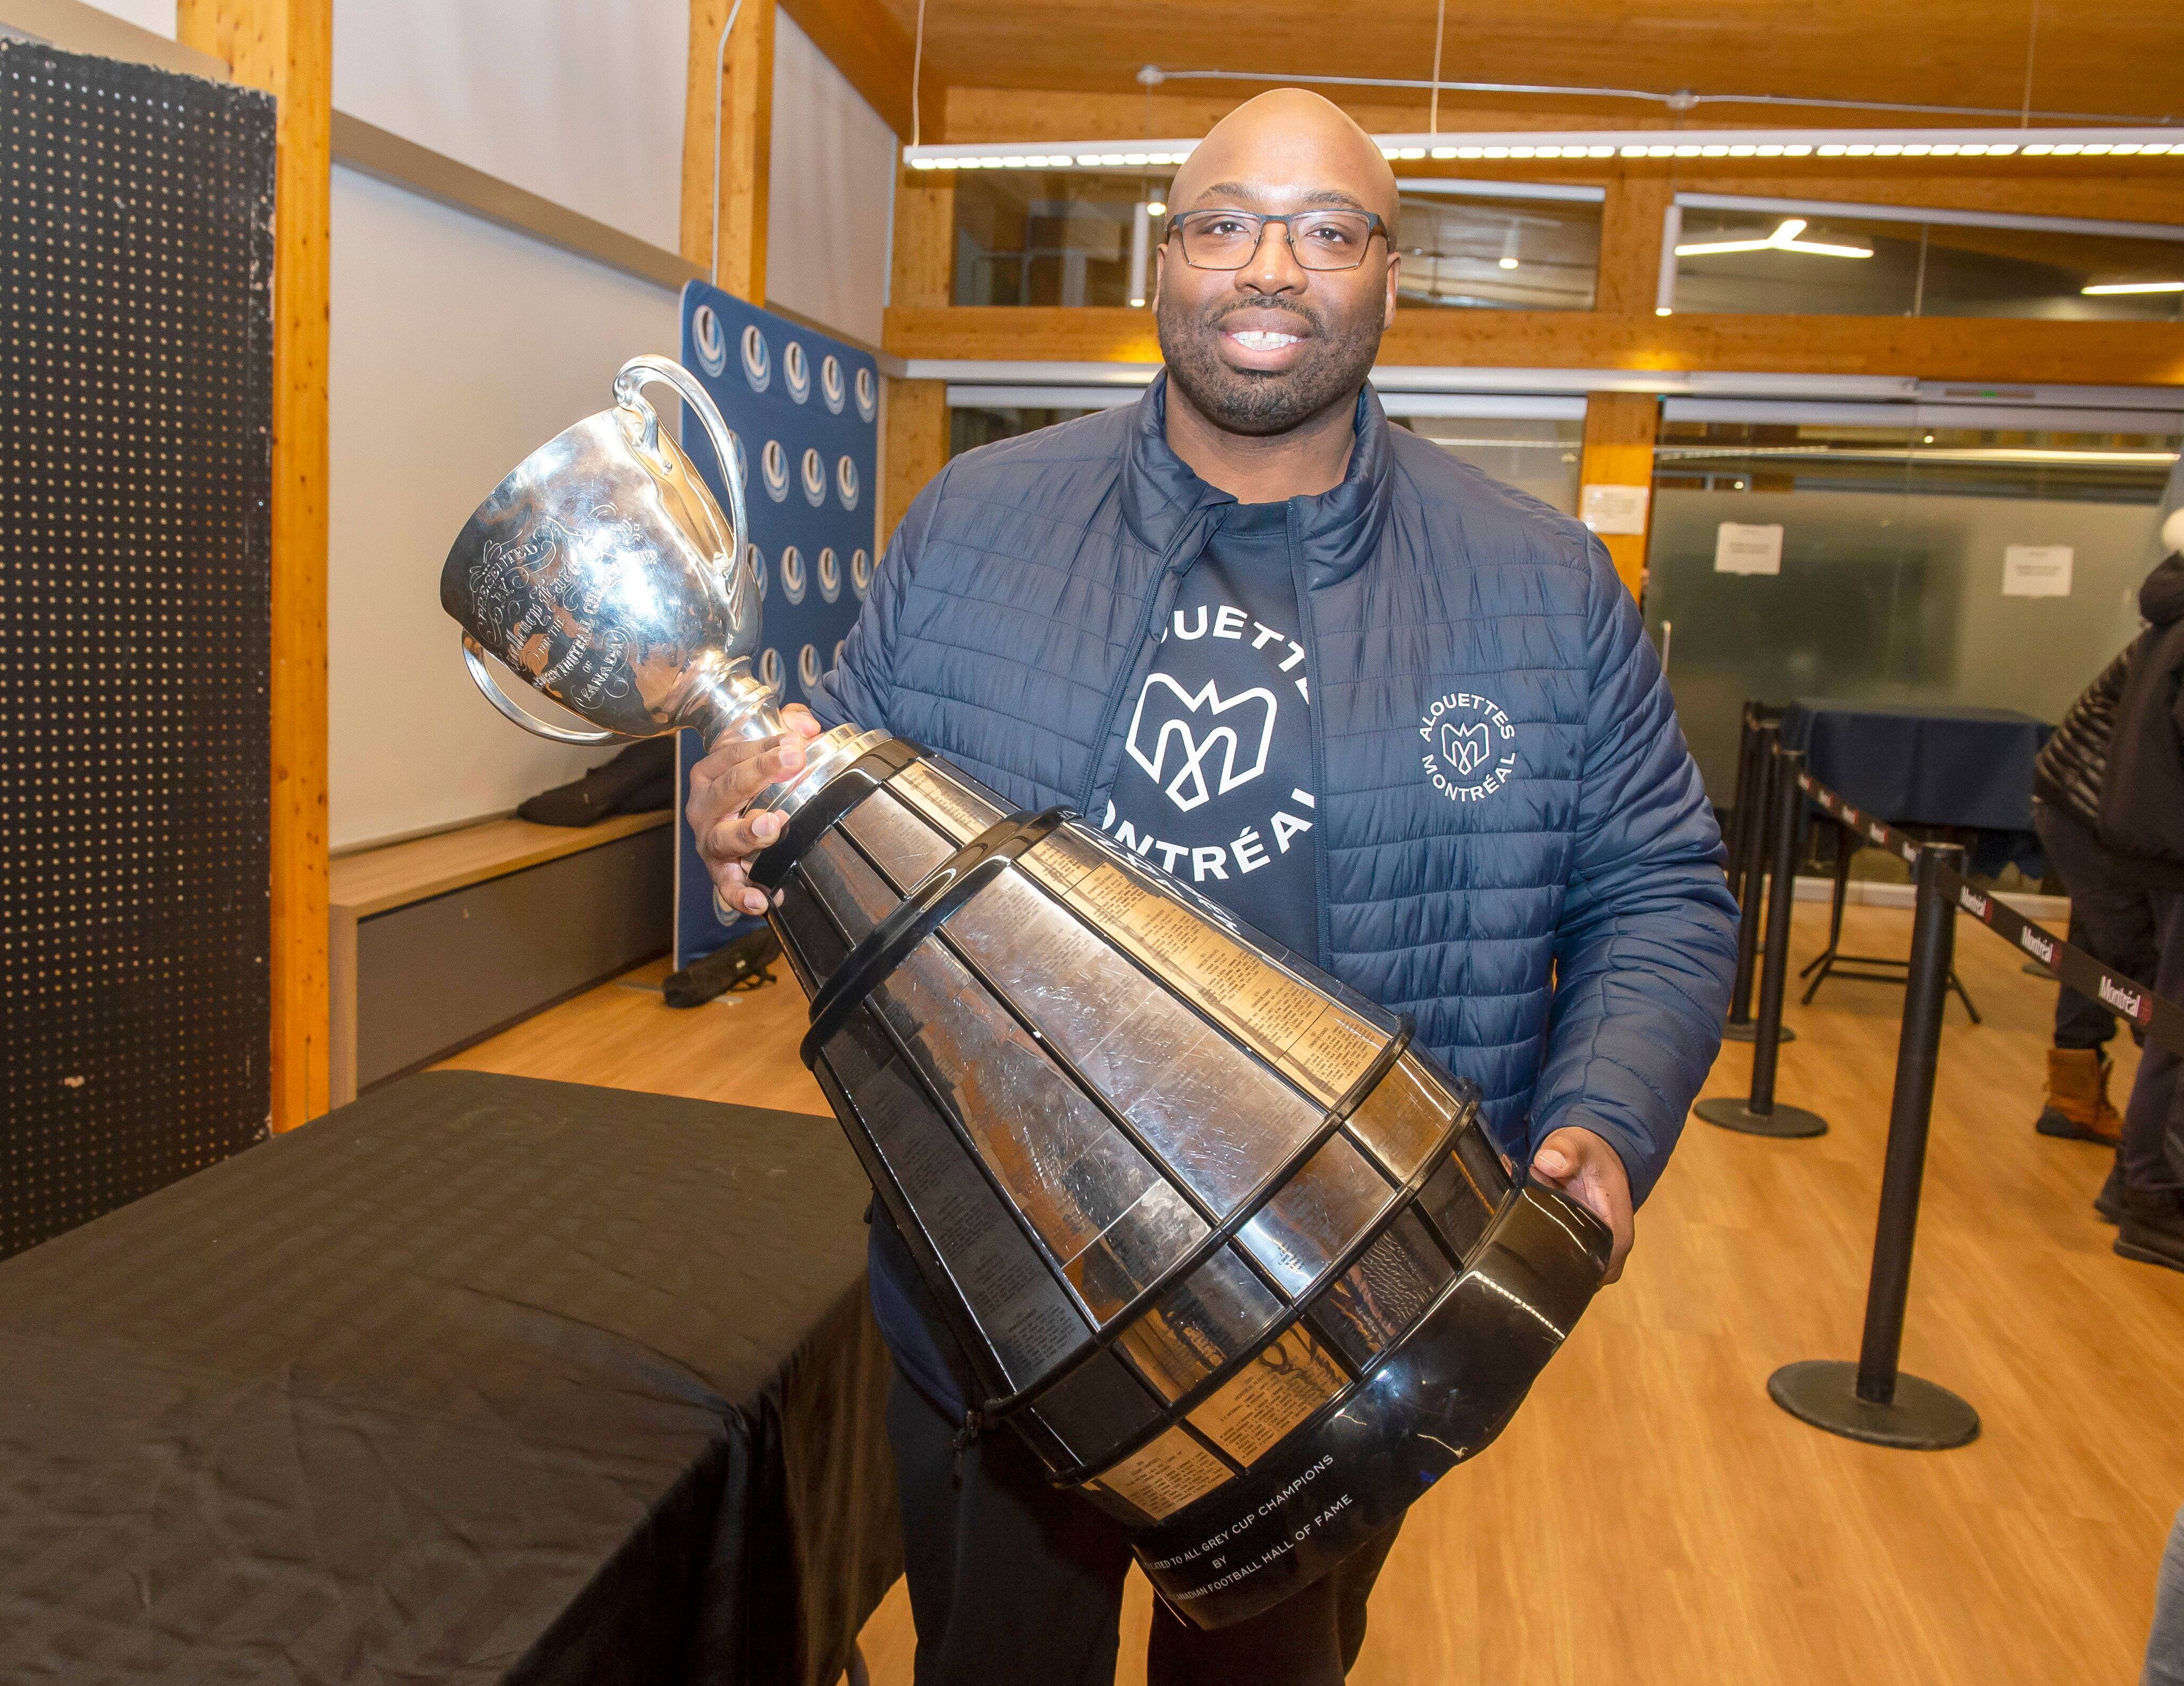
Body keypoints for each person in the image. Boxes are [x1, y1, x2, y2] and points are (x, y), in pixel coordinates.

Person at [688, 89, 1739, 1684]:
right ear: (1160, 261)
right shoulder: (976, 520)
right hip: (989, 1283)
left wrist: (1602, 1115)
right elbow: (831, 767)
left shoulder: (1537, 583)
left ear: (1389, 277)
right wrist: (748, 809)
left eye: (1325, 231)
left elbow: (1658, 886)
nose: (1269, 267)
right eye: (1223, 223)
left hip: (1337, 1326)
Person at [2030, 645, 2162, 1150]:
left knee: (2096, 951)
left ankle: (2072, 1100)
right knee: (2147, 972)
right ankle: (2158, 1150)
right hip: (2098, 810)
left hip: (2091, 806)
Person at [2102, 515, 2184, 1271]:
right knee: (2175, 1028)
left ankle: (2132, 1175)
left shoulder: (2169, 612)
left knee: (2167, 1020)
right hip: (2169, 845)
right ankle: (2153, 1192)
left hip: (2153, 841)